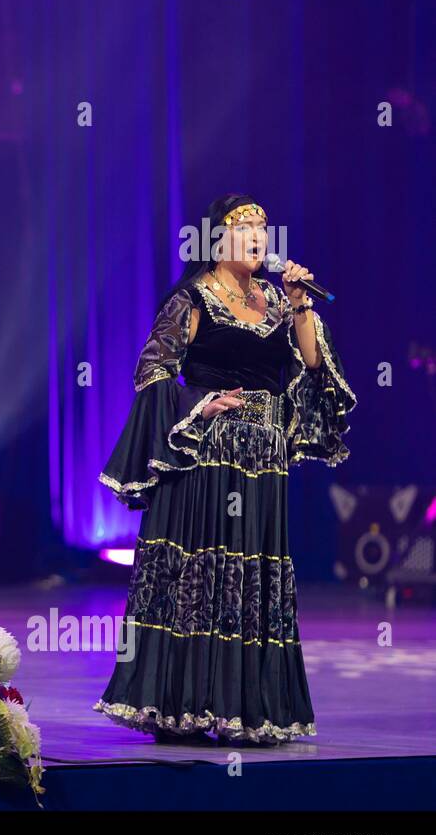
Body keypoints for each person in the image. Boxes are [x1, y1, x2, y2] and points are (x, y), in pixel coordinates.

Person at [95, 194, 356, 744]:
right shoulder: (193, 298)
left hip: (263, 460)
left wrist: (301, 304)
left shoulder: (277, 300)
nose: (258, 238)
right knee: (202, 577)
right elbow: (152, 371)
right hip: (207, 456)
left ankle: (248, 710)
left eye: (263, 229)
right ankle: (183, 706)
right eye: (245, 229)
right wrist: (200, 405)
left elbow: (313, 364)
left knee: (251, 581)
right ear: (217, 240)